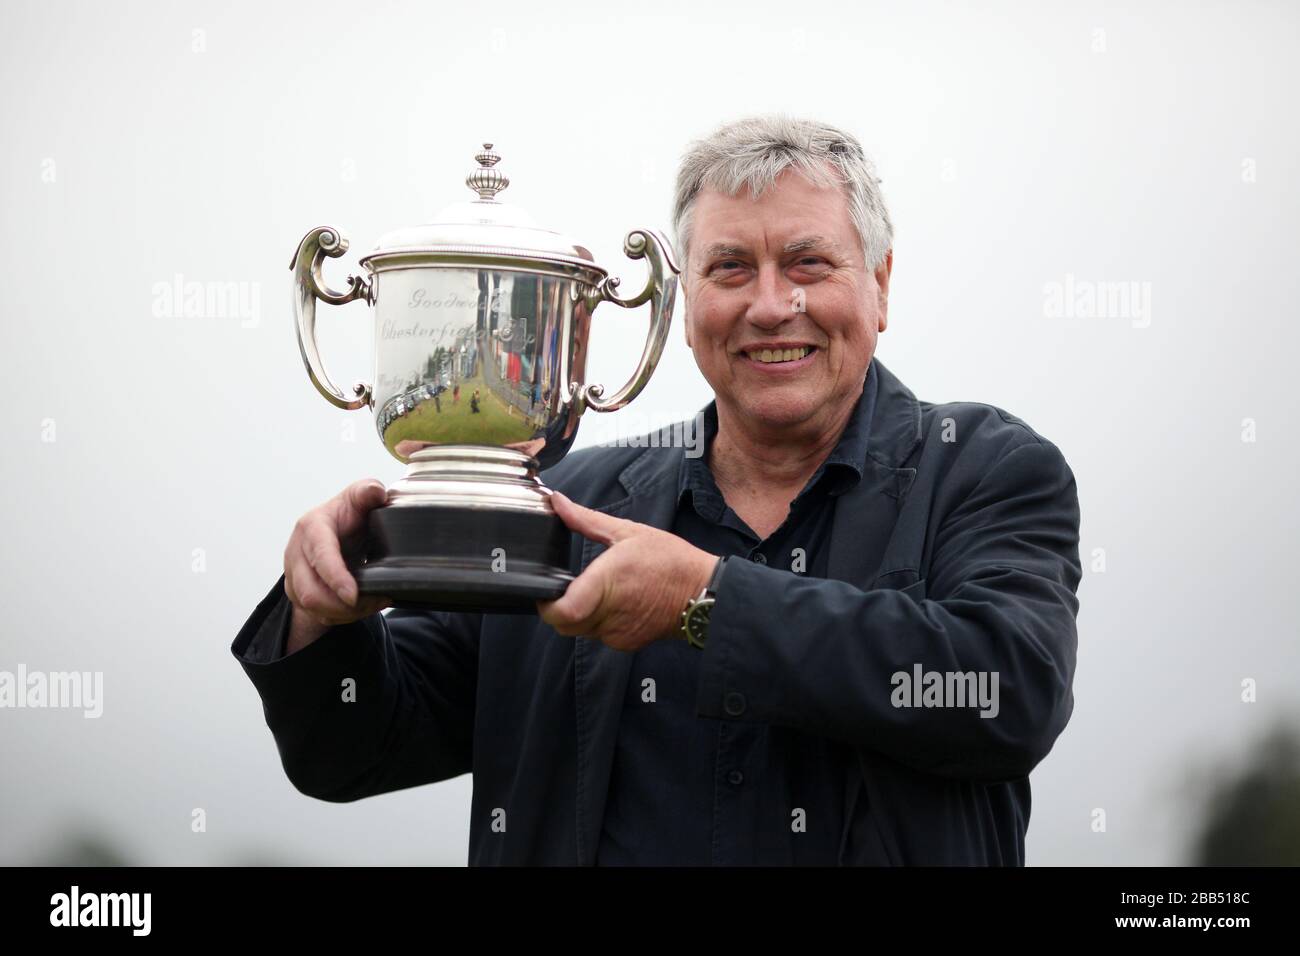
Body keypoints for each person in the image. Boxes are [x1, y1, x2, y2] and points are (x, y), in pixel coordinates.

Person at [231, 115, 1081, 865]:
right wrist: (323, 616)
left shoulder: (984, 469)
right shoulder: (564, 503)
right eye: (730, 269)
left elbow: (1007, 691)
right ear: (685, 305)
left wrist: (704, 604)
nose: (772, 305)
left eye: (808, 263)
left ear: (881, 285)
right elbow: (352, 751)